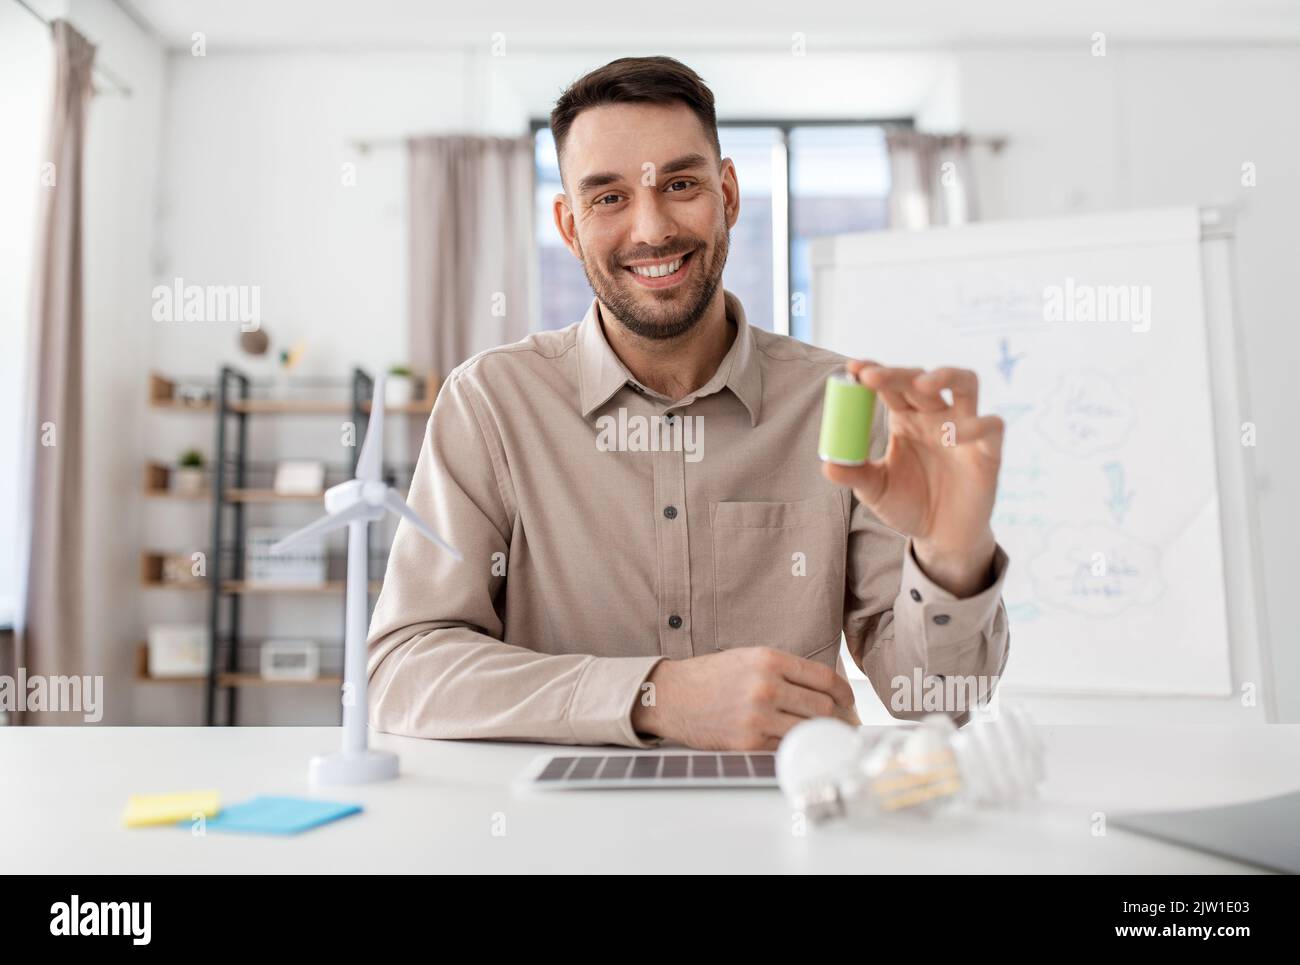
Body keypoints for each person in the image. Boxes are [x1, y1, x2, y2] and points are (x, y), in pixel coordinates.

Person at [367, 56, 1009, 750]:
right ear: (569, 224)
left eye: (680, 184)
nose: (651, 229)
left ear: (728, 194)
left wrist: (952, 559)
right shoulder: (491, 406)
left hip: (786, 830)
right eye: (608, 196)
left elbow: (941, 701)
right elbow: (404, 671)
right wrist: (654, 695)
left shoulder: (844, 408)